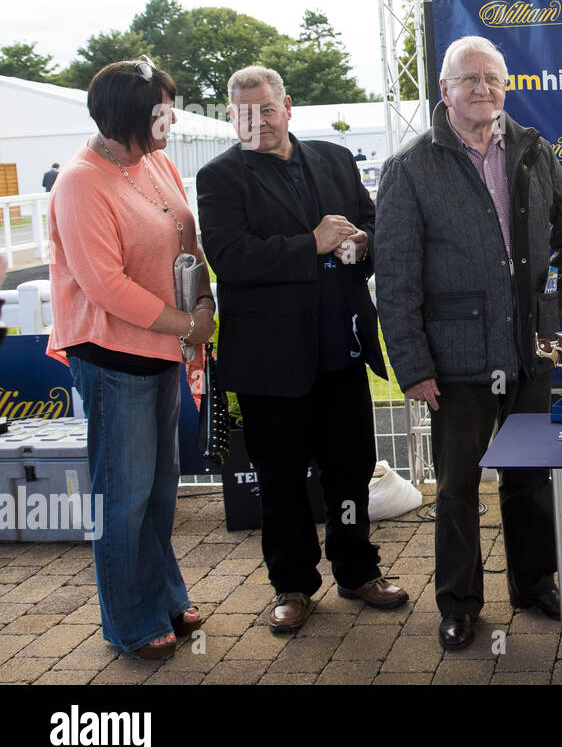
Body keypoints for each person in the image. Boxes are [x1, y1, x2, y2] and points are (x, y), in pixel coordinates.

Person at [375, 36, 562, 651]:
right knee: (457, 490)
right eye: (468, 78)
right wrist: (413, 365)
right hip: (454, 362)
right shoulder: (409, 167)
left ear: (505, 86)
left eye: (492, 78)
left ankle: (535, 583)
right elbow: (395, 278)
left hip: (527, 353)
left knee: (530, 479)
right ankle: (459, 604)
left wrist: (550, 307)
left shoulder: (532, 150)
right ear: (444, 90)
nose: (482, 88)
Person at [197, 65, 407, 634]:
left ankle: (358, 570)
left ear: (287, 106)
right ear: (230, 116)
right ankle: (291, 585)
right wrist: (310, 243)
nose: (258, 123)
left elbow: (375, 228)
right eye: (244, 114)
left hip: (340, 351)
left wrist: (360, 244)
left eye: (266, 110)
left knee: (350, 472)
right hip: (270, 363)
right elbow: (230, 258)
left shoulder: (335, 159)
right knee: (282, 481)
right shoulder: (220, 177)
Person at [47, 58, 213, 659]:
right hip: (113, 358)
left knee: (159, 493)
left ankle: (164, 597)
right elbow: (105, 286)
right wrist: (187, 323)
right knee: (124, 500)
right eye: (161, 112)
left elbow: (186, 238)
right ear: (127, 118)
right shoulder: (80, 182)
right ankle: (130, 623)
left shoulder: (156, 161)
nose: (172, 120)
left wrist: (203, 301)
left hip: (160, 350)